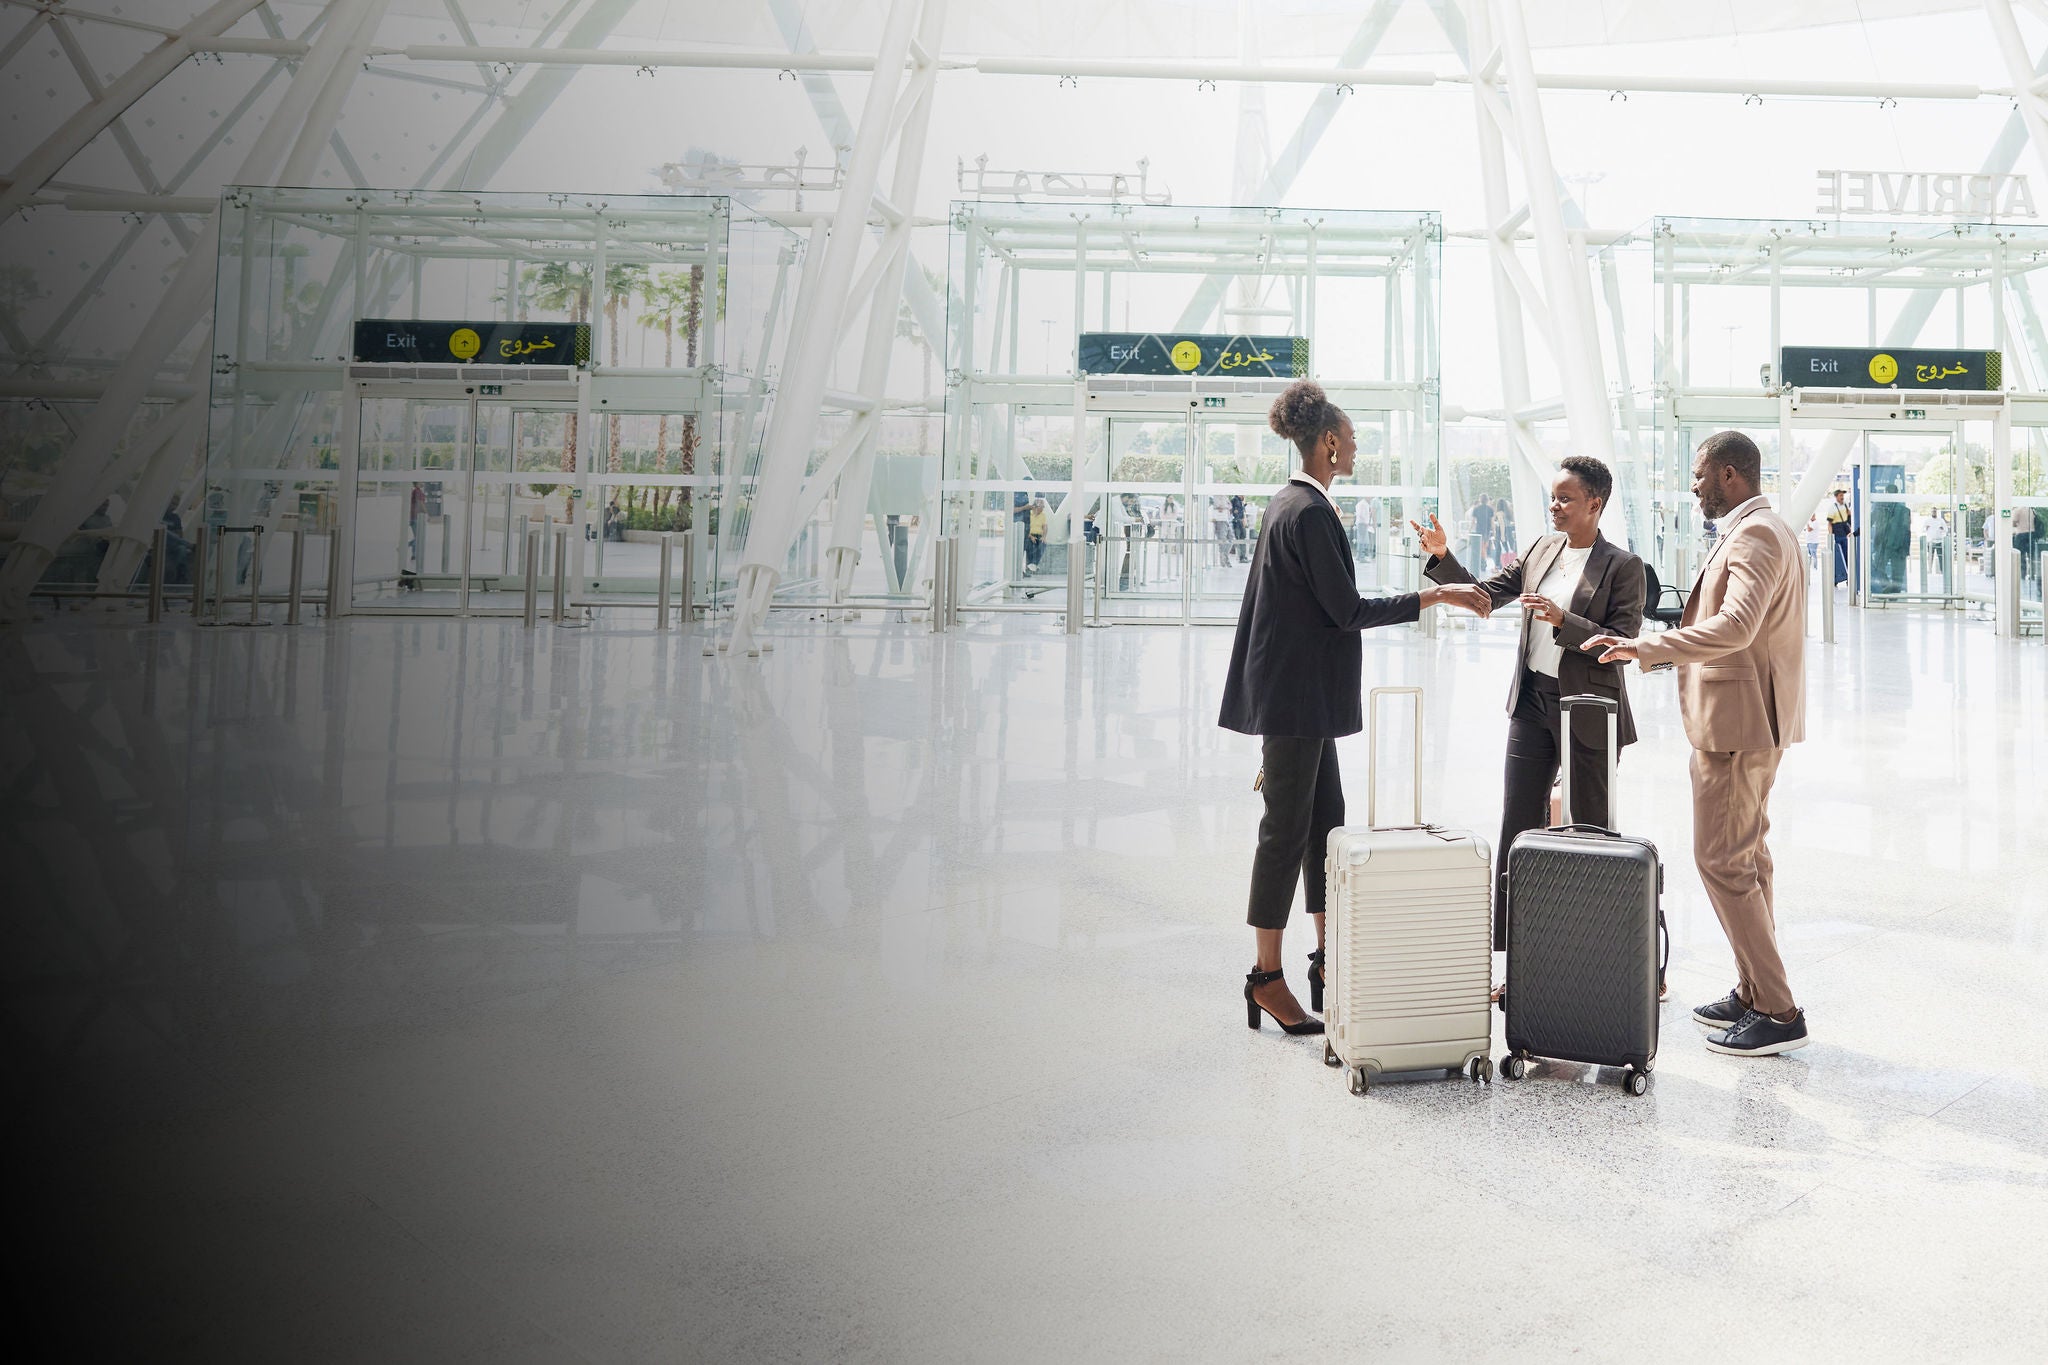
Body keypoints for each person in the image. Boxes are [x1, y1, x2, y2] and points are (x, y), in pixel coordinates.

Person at [1219, 380, 1492, 1036]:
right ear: (1331, 443)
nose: (1359, 446)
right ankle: (1265, 977)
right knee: (1285, 832)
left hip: (1304, 698)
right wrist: (1440, 596)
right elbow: (1346, 611)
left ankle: (1323, 957)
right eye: (1354, 438)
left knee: (1325, 826)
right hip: (1295, 700)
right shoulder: (1308, 512)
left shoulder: (1291, 504)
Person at [1583, 430, 1810, 1057]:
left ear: (1731, 475)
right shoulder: (1762, 530)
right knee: (1749, 859)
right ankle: (1752, 990)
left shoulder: (1758, 534)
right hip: (1746, 723)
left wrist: (1645, 647)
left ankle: (1779, 1009)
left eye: (1700, 473)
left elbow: (1737, 626)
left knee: (1721, 862)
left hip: (1740, 726)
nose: (1693, 485)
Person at [1413, 456, 1646, 957]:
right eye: (1553, 497)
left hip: (1588, 709)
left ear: (1595, 504)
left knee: (1589, 824)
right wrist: (1442, 558)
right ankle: (1514, 949)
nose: (1555, 506)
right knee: (1518, 818)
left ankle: (1591, 946)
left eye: (1565, 498)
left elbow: (1625, 642)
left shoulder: (1623, 566)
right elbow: (1484, 598)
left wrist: (1565, 621)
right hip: (1532, 702)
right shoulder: (1542, 550)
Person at [1826, 487, 1852, 586]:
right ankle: (1836, 579)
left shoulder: (1845, 506)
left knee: (1847, 556)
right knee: (1837, 557)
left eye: (1843, 495)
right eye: (1840, 495)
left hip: (1845, 533)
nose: (1842, 497)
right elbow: (1830, 523)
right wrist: (1831, 536)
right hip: (1837, 534)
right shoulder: (1832, 508)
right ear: (1836, 497)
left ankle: (1848, 578)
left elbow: (1849, 517)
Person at [1024, 498, 1048, 574]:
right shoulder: (1028, 514)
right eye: (1041, 507)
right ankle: (1032, 565)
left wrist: (1044, 537)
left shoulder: (1043, 515)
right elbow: (1025, 528)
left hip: (1039, 536)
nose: (1042, 509)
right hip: (1029, 536)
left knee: (1043, 544)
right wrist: (1031, 536)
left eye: (1043, 507)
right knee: (1031, 545)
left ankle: (1033, 564)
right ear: (1035, 507)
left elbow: (1045, 527)